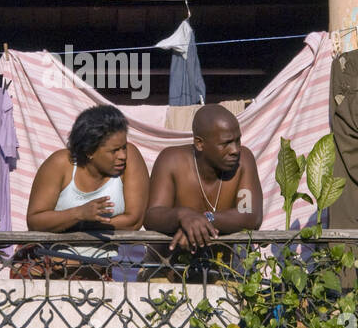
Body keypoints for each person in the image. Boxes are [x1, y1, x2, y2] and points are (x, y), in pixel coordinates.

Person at [25, 105, 149, 269]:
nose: (123, 156)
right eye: (114, 151)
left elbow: (134, 221)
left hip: (105, 269)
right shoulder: (60, 164)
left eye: (124, 147)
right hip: (54, 269)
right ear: (89, 151)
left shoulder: (131, 160)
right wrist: (79, 213)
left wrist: (81, 223)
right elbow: (35, 221)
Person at [144, 104, 263, 252]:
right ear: (200, 144)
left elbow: (250, 215)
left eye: (237, 140)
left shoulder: (243, 161)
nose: (235, 150)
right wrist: (183, 216)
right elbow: (152, 215)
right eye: (226, 143)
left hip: (223, 269)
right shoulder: (171, 161)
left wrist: (204, 219)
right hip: (166, 266)